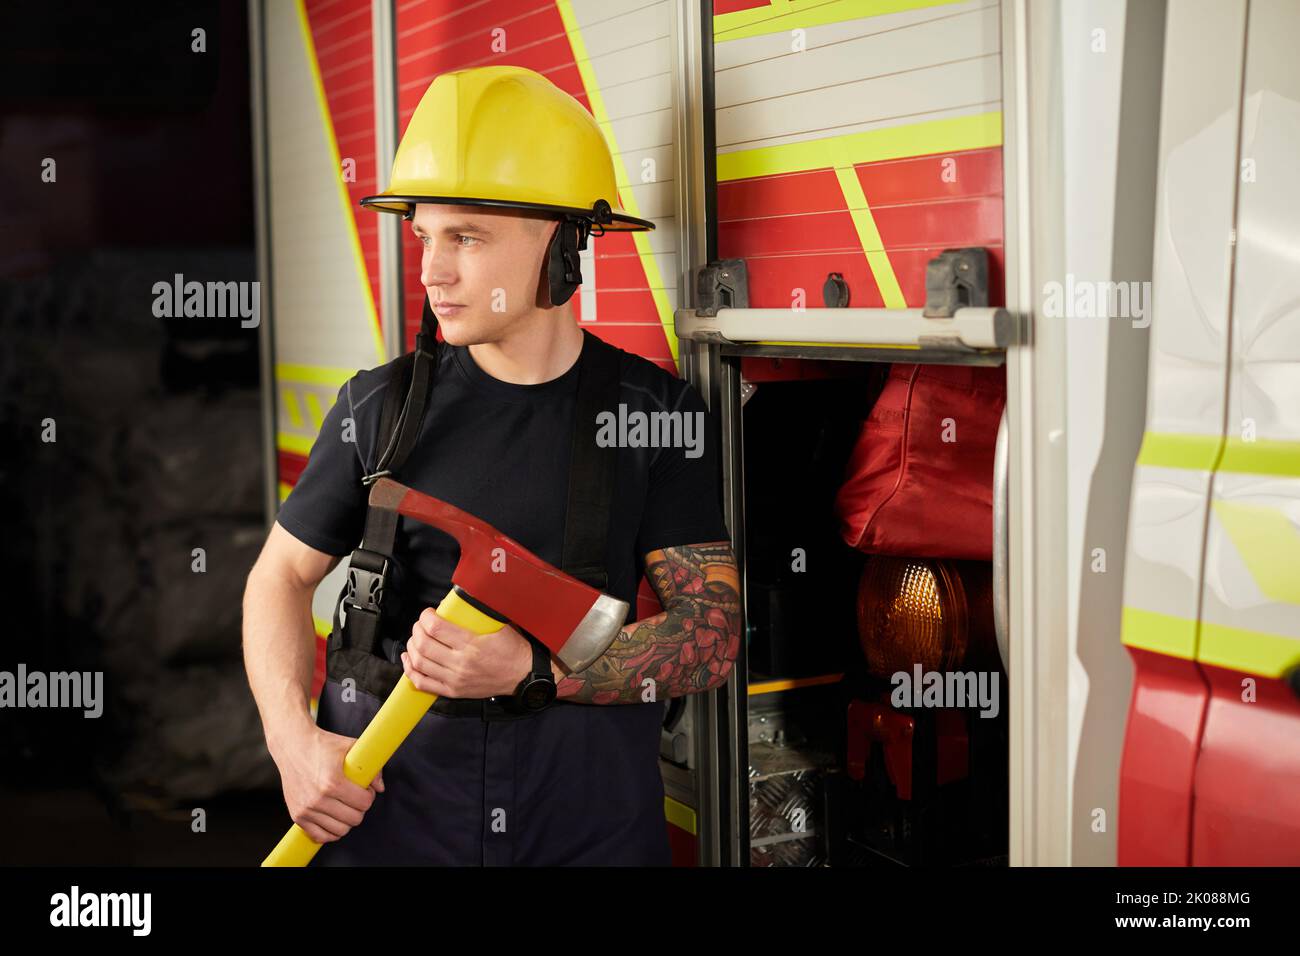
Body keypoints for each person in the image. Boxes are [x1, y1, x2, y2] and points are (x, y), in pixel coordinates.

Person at [242, 65, 740, 865]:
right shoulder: (378, 410)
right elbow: (279, 578)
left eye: (466, 238)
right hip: (395, 819)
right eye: (425, 237)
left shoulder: (654, 414)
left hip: (587, 821)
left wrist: (532, 668)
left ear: (563, 244)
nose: (432, 270)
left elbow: (711, 635)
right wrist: (292, 741)